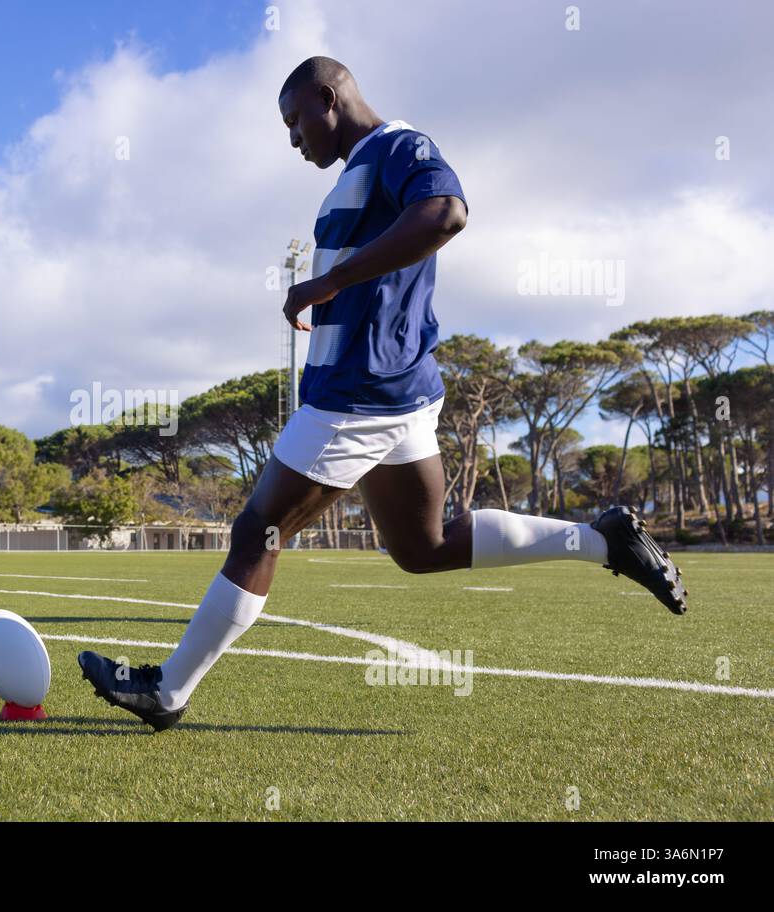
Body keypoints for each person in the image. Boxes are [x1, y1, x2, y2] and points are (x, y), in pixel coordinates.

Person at [78, 56, 686, 732]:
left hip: (360, 392)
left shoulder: (398, 145)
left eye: (294, 121)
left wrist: (329, 283)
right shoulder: (357, 171)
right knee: (423, 547)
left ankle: (166, 692)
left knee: (258, 531)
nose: (292, 140)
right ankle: (603, 541)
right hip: (396, 390)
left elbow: (446, 212)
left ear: (327, 97)